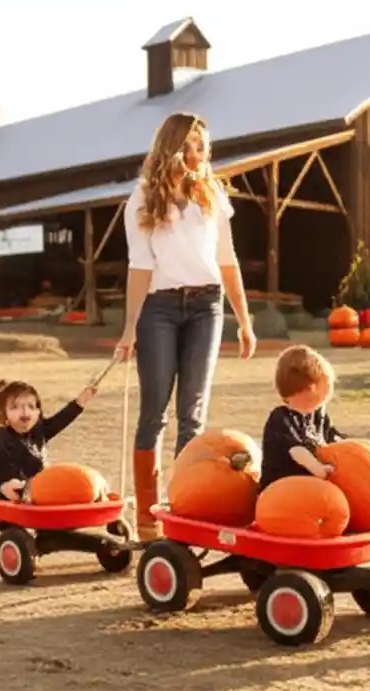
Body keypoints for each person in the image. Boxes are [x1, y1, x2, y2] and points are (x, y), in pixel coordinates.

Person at [117, 111, 257, 540]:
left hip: (206, 307)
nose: (197, 155)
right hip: (159, 309)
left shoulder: (210, 193)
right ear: (170, 147)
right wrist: (129, 328)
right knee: (153, 413)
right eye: (189, 146)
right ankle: (146, 520)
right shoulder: (143, 198)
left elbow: (227, 260)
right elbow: (139, 267)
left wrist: (245, 321)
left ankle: (183, 511)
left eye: (203, 146)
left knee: (192, 416)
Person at [0, 380, 99, 502]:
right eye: (15, 407)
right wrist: (1, 487)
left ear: (38, 412)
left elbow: (62, 419)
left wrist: (81, 401)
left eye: (31, 406)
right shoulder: (1, 440)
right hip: (9, 498)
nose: (25, 411)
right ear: (3, 415)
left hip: (39, 493)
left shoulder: (38, 432)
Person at [259, 345, 345, 491]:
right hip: (283, 490)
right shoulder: (282, 419)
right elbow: (297, 451)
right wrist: (318, 469)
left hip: (312, 487)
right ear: (310, 387)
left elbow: (334, 441)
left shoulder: (318, 416)